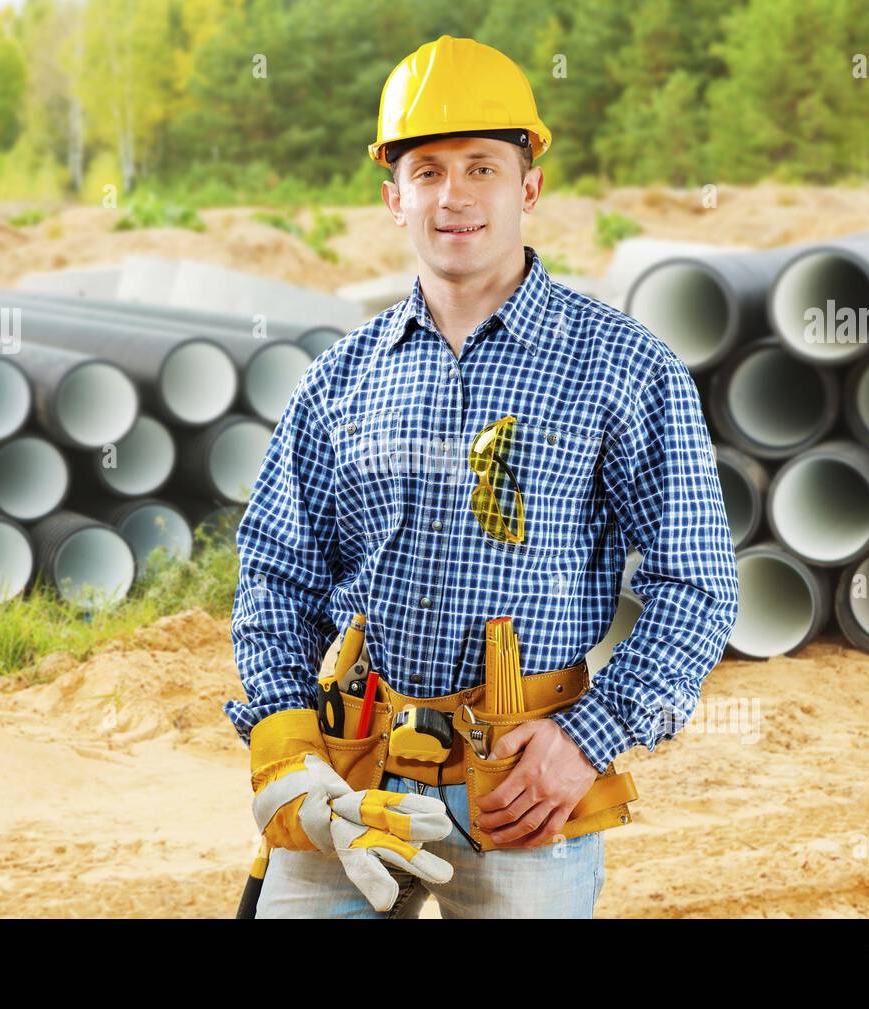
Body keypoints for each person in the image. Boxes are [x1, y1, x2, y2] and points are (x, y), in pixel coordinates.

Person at [225, 35, 739, 919]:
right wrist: (286, 747)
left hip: (523, 793)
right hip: (352, 785)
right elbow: (276, 572)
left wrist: (589, 739)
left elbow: (696, 583)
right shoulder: (339, 380)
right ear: (394, 198)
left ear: (528, 186)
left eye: (480, 167)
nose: (453, 195)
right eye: (426, 171)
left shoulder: (626, 370)